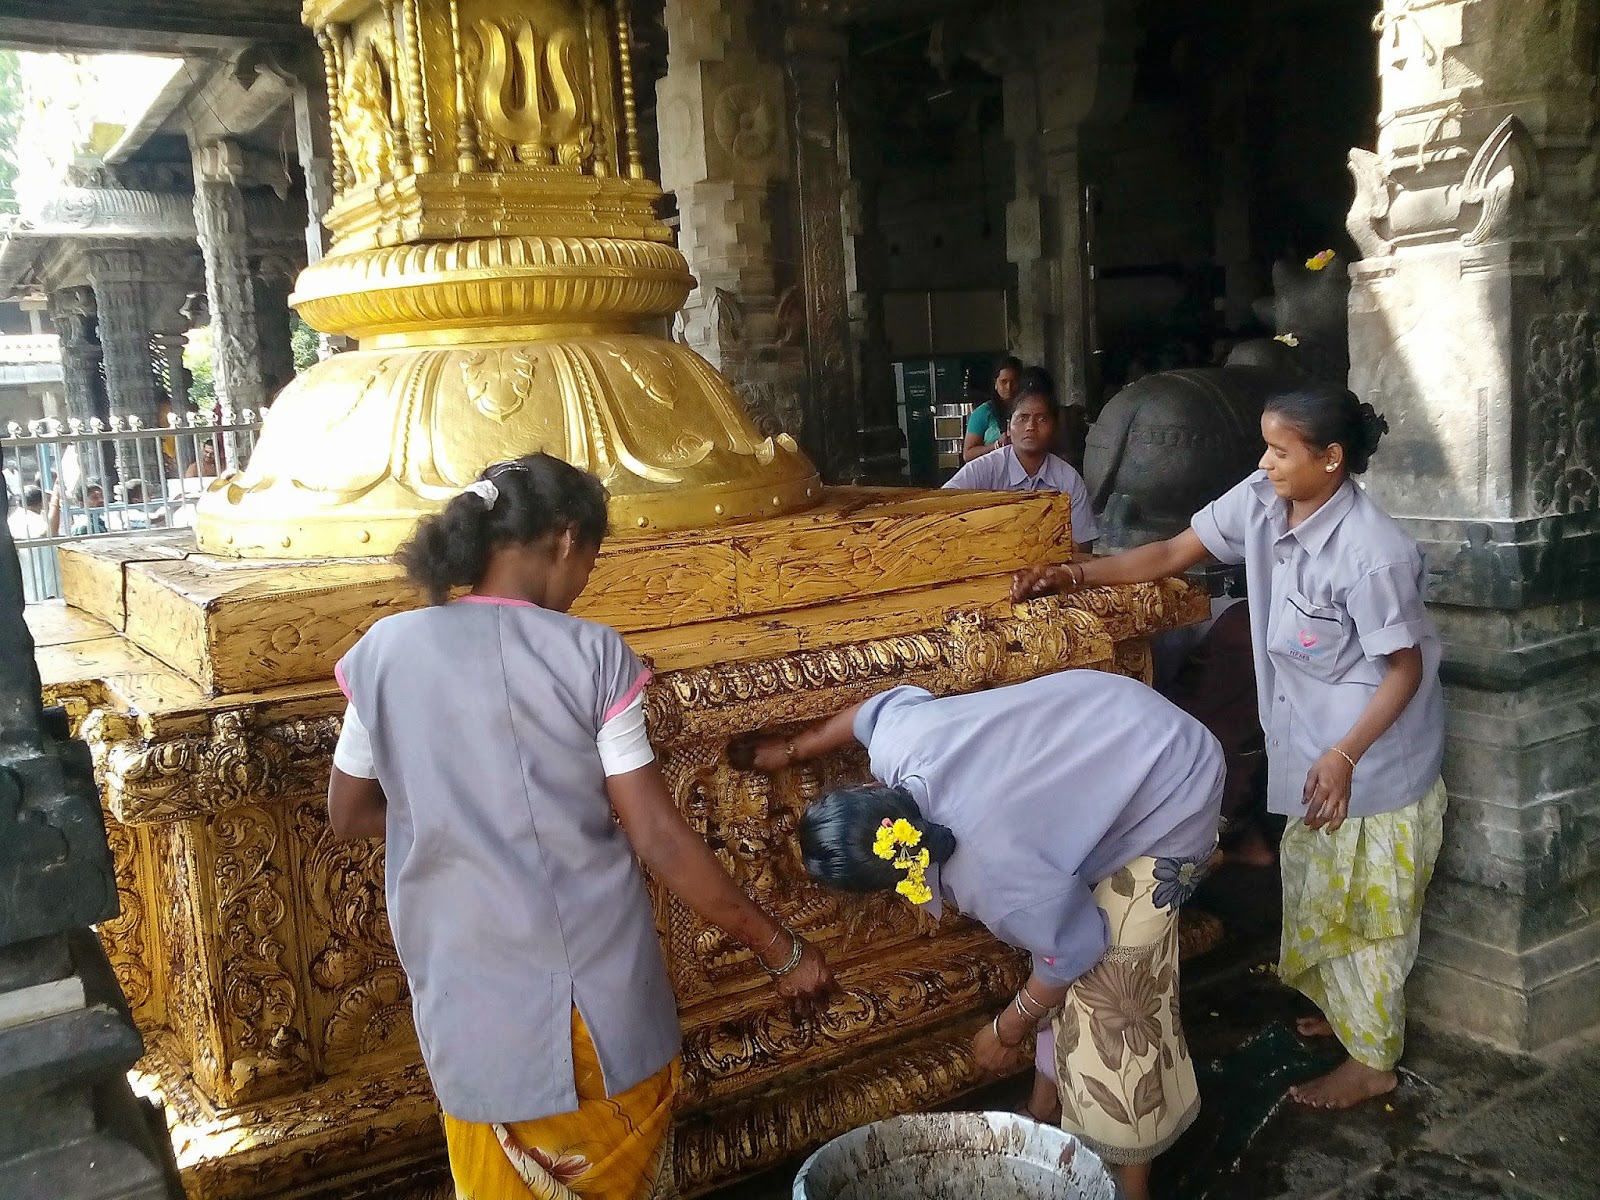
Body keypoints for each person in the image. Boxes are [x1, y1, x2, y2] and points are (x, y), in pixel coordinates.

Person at [327, 453, 834, 1199]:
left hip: (469, 1011)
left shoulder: (383, 654)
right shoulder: (593, 656)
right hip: (594, 1012)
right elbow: (658, 838)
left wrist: (455, 816)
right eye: (591, 562)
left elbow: (349, 811)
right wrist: (780, 948)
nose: (584, 583)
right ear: (566, 539)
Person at [1013, 383, 1445, 1111]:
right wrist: (1074, 574)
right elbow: (1173, 550)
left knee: (1371, 915)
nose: (1266, 462)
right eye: (1266, 447)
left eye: (1281, 451)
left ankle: (1374, 1064)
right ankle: (1351, 1021)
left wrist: (1345, 755)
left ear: (1332, 460)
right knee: (1318, 896)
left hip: (1372, 761)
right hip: (1313, 753)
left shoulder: (1374, 554)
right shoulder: (1262, 499)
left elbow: (1405, 668)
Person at [733, 670, 1224, 1200]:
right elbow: (870, 713)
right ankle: (1044, 1108)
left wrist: (1007, 1026)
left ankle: (1129, 1183)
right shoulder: (904, 745)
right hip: (1113, 723)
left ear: (894, 883)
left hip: (1176, 781)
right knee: (1058, 960)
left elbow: (1074, 949)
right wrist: (794, 749)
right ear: (869, 789)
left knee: (1110, 1000)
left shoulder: (992, 878)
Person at [943, 388, 1098, 554]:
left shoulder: (1068, 479)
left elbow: (1083, 546)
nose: (1031, 426)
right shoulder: (983, 469)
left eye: (1041, 418)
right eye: (1022, 418)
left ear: (1053, 428)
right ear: (1008, 428)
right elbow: (940, 510)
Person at [962, 355, 1022, 462]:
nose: (1009, 387)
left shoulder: (1029, 410)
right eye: (1004, 382)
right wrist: (996, 445)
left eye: (1014, 382)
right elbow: (968, 454)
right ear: (996, 384)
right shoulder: (984, 412)